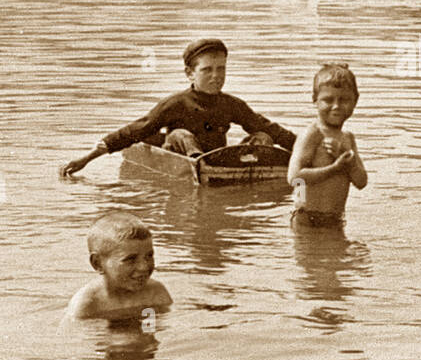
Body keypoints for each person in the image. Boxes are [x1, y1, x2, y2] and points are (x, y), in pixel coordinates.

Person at [59, 38, 295, 177]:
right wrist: (87, 158)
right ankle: (199, 163)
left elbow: (271, 129)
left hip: (218, 163)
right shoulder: (175, 104)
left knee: (262, 136)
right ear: (190, 73)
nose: (216, 76)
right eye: (207, 70)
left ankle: (241, 175)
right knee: (181, 134)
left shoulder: (231, 104)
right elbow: (138, 129)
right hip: (183, 155)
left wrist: (309, 151)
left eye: (221, 69)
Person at [287, 63, 368, 229]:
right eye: (328, 100)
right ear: (315, 100)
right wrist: (335, 168)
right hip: (306, 218)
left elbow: (361, 182)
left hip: (335, 219)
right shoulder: (312, 134)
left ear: (355, 100)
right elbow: (295, 178)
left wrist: (348, 160)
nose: (337, 106)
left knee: (337, 254)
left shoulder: (348, 138)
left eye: (344, 100)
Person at [64, 211, 172, 321]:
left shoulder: (155, 293)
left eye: (149, 256)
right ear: (97, 263)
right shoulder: (87, 305)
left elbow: (156, 329)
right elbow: (80, 337)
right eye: (130, 259)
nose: (143, 267)